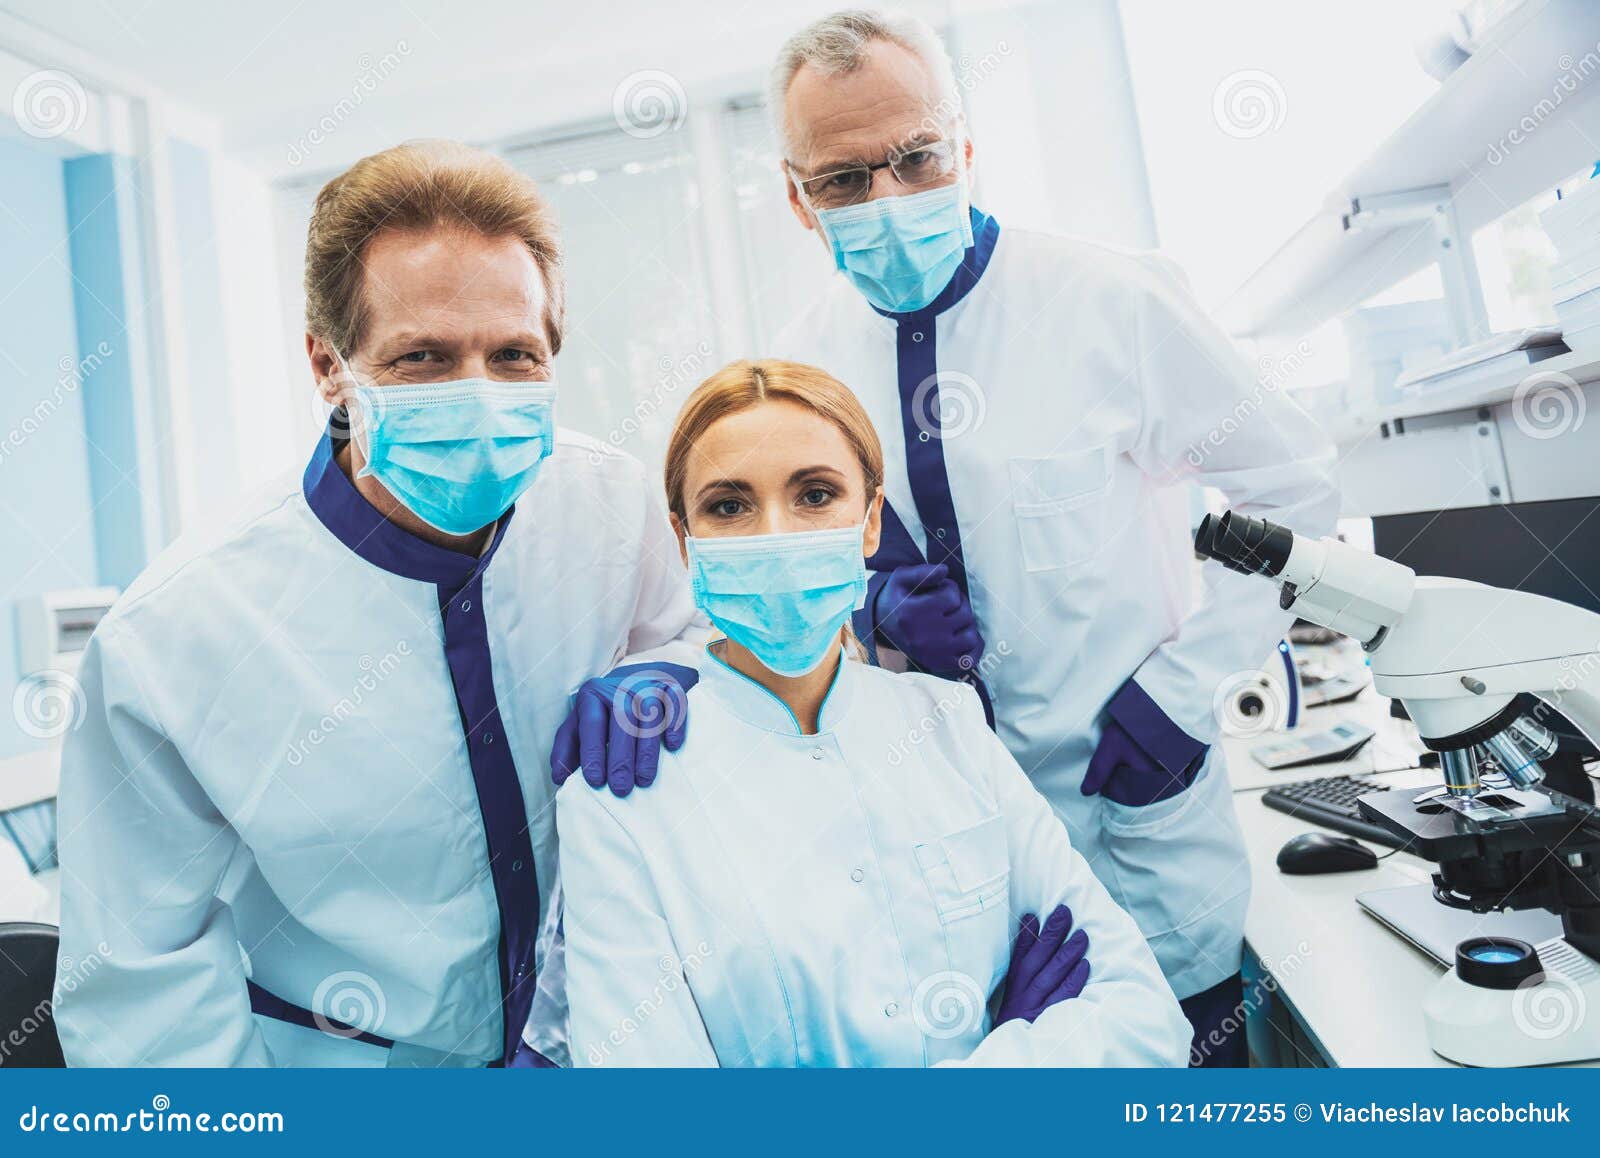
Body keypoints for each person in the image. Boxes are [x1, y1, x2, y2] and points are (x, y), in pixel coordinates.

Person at [768, 10, 1341, 1065]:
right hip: (959, 886)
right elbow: (796, 581)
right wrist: (864, 609)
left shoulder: (1109, 300)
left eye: (916, 157)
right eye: (844, 181)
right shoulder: (802, 365)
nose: (887, 199)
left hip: (1142, 837)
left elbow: (1298, 493)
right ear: (797, 201)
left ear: (966, 148)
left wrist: (1189, 689)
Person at [53, 141, 703, 1067]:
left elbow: (693, 635)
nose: (477, 395)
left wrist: (663, 674)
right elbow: (137, 994)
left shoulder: (610, 504)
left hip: (596, 1042)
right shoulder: (177, 637)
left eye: (514, 355)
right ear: (328, 366)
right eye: (423, 358)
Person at [557, 360, 1192, 1067]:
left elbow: (1146, 1021)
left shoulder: (947, 723)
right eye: (729, 506)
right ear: (684, 542)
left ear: (869, 523)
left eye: (816, 493)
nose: (776, 534)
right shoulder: (619, 799)